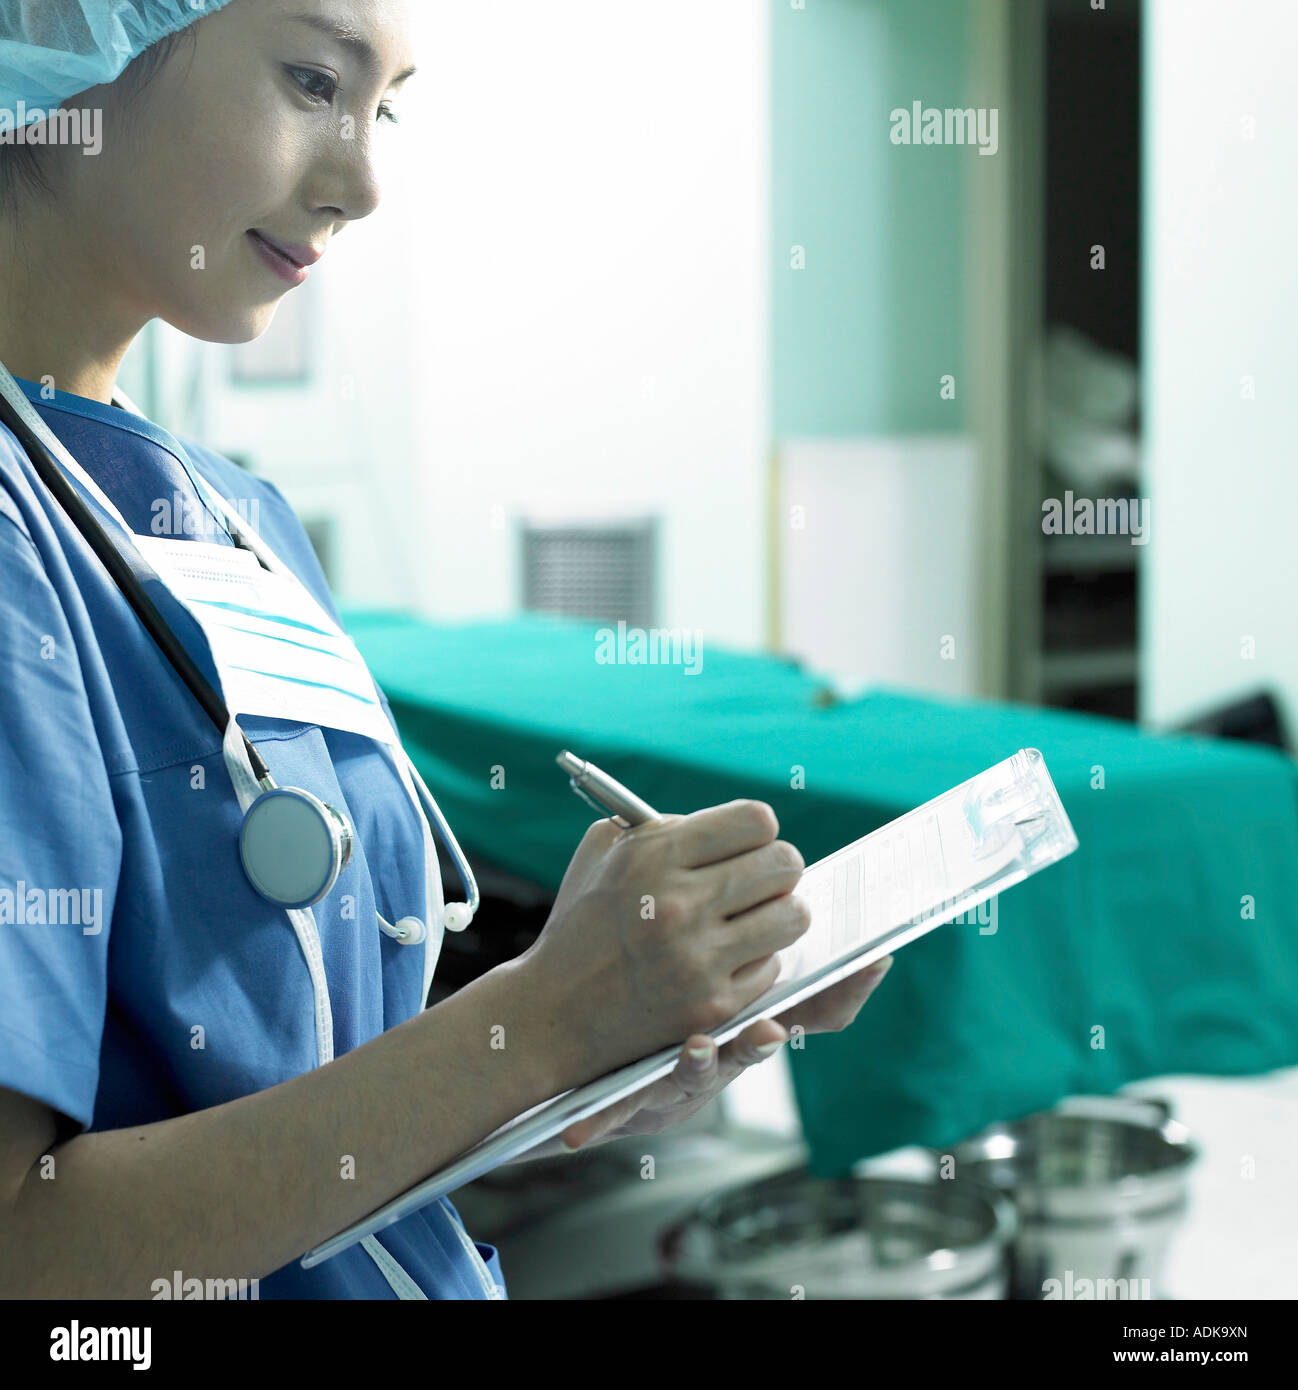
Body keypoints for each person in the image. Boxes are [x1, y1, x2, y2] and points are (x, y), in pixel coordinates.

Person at [0, 0, 894, 1300]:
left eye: (388, 106)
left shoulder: (238, 524)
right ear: (75, 42)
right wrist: (533, 1026)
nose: (363, 181)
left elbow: (301, 1067)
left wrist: (592, 1028)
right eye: (312, 79)